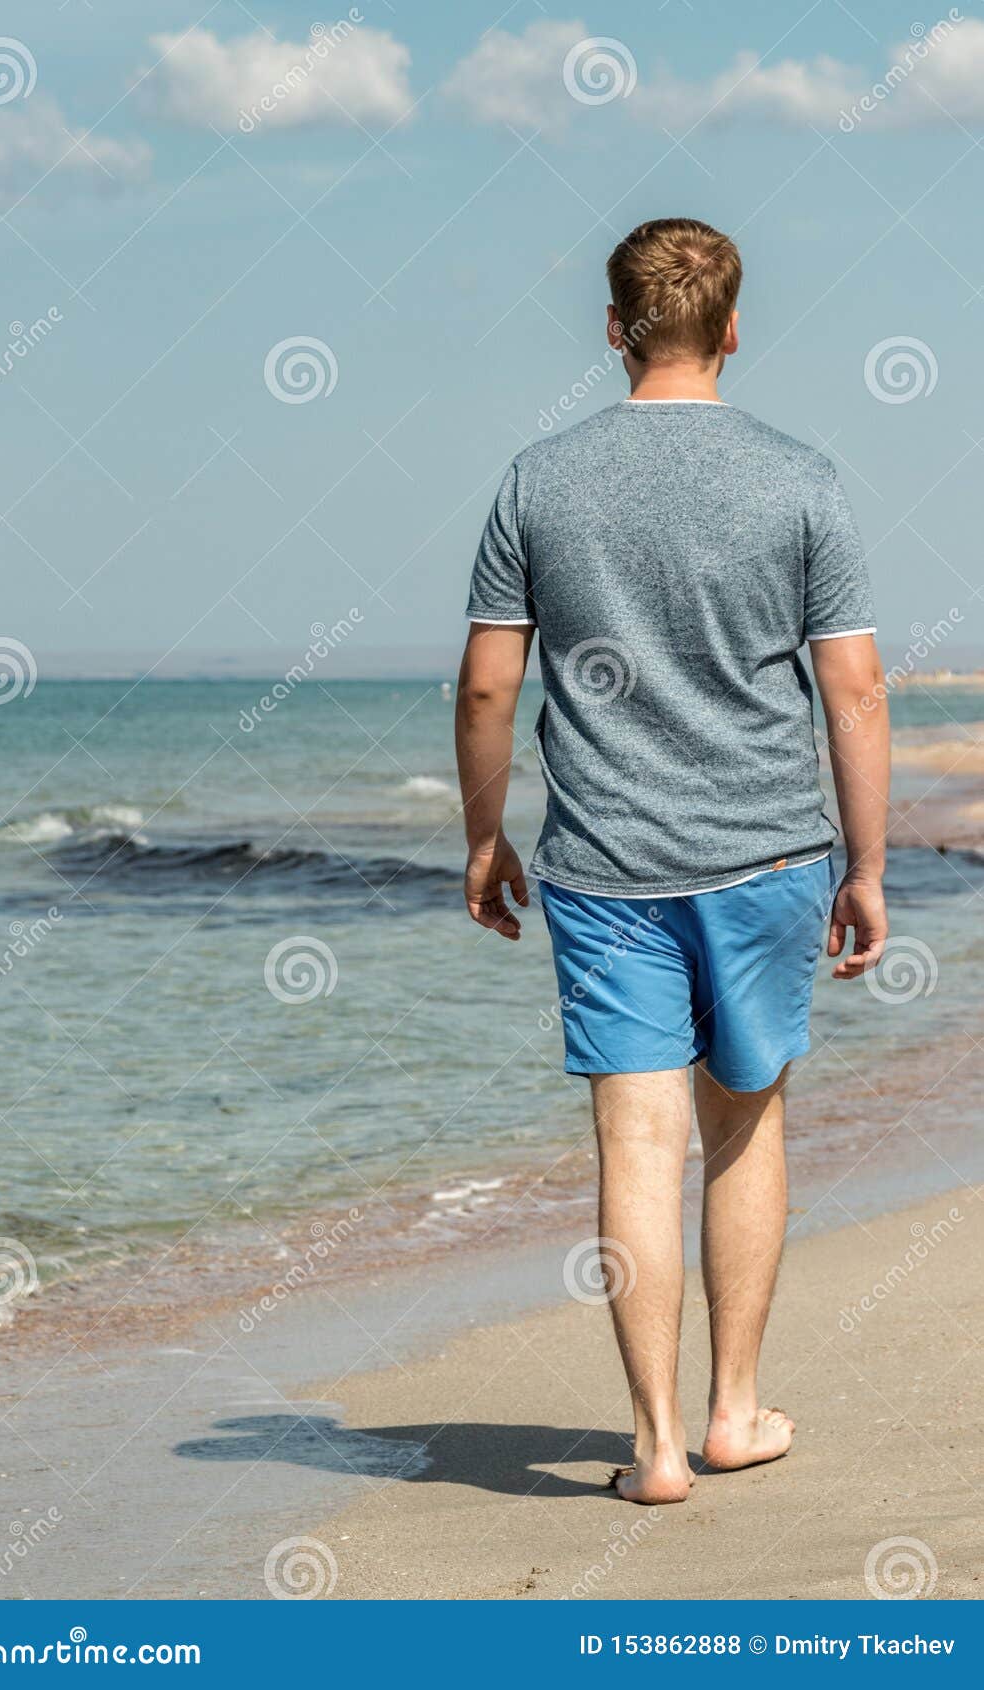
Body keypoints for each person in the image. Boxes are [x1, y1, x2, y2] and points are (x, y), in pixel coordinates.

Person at [455, 218, 890, 1505]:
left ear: (611, 329)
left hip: (601, 861)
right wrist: (863, 866)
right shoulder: (799, 477)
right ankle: (732, 1410)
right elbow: (852, 692)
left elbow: (488, 687)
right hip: (763, 851)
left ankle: (649, 1447)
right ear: (734, 328)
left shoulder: (536, 480)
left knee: (634, 1142)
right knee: (741, 1126)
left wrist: (481, 836)